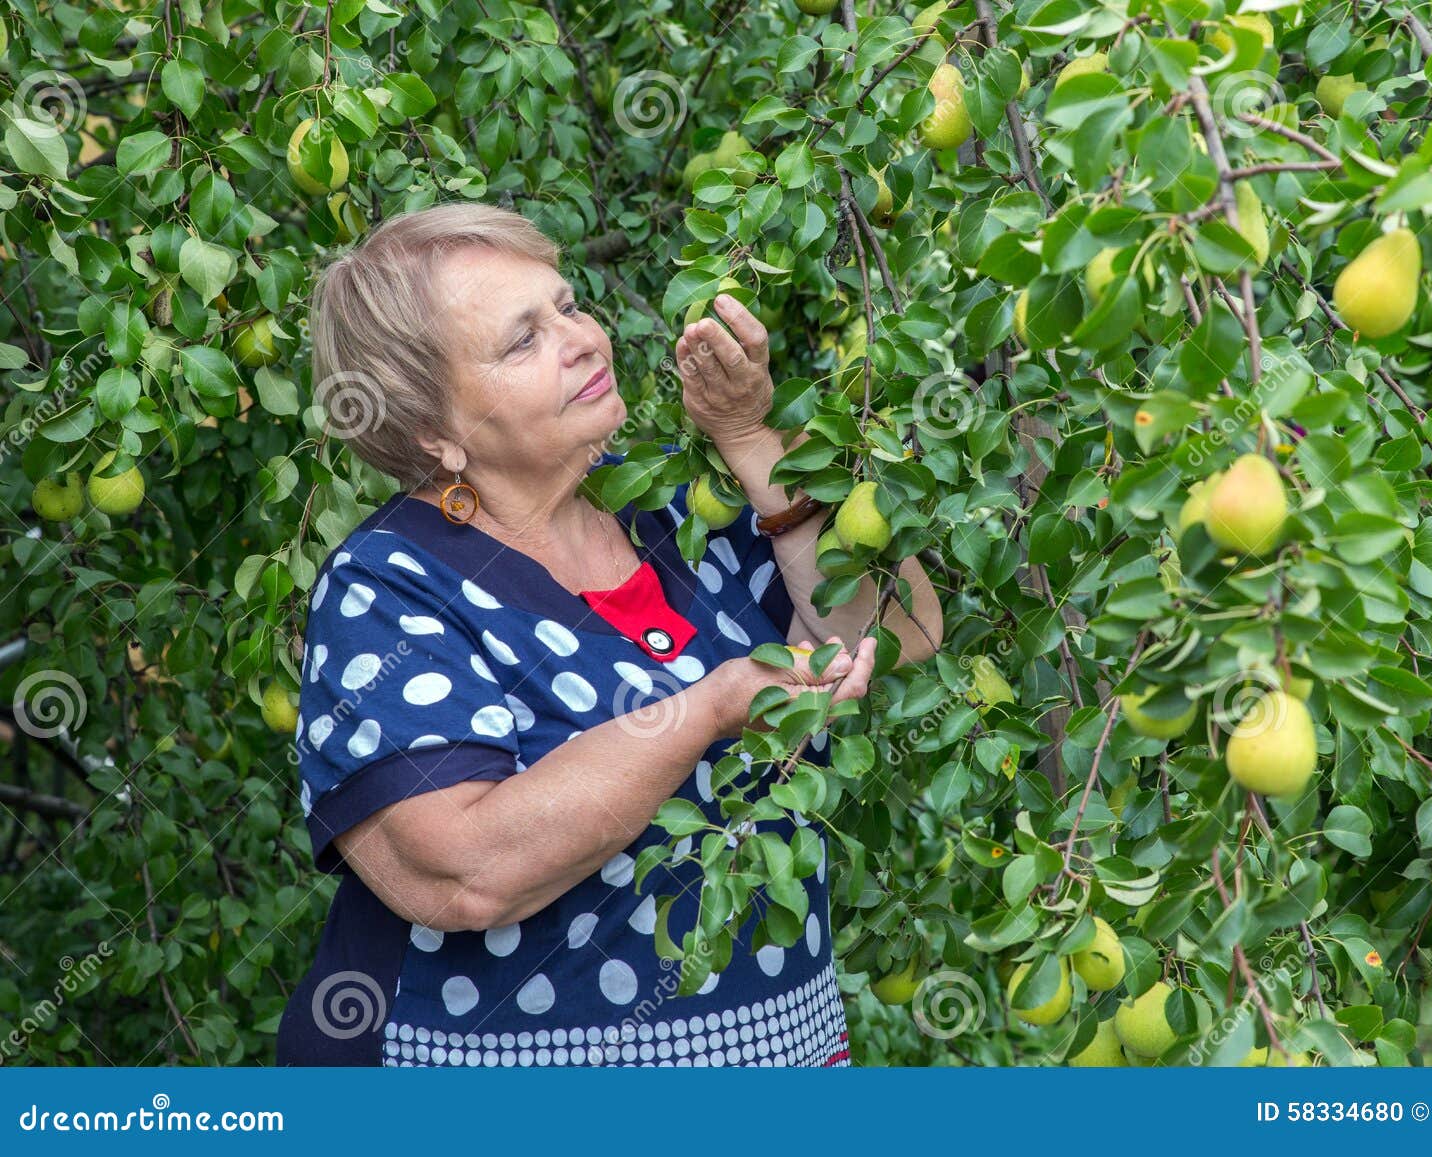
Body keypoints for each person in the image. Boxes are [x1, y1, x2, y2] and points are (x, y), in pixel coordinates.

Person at [275, 202, 944, 1067]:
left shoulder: (676, 513)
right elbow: (465, 869)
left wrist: (748, 440)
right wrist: (704, 710)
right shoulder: (391, 588)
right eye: (523, 340)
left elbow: (903, 627)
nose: (582, 337)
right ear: (433, 434)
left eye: (567, 305)